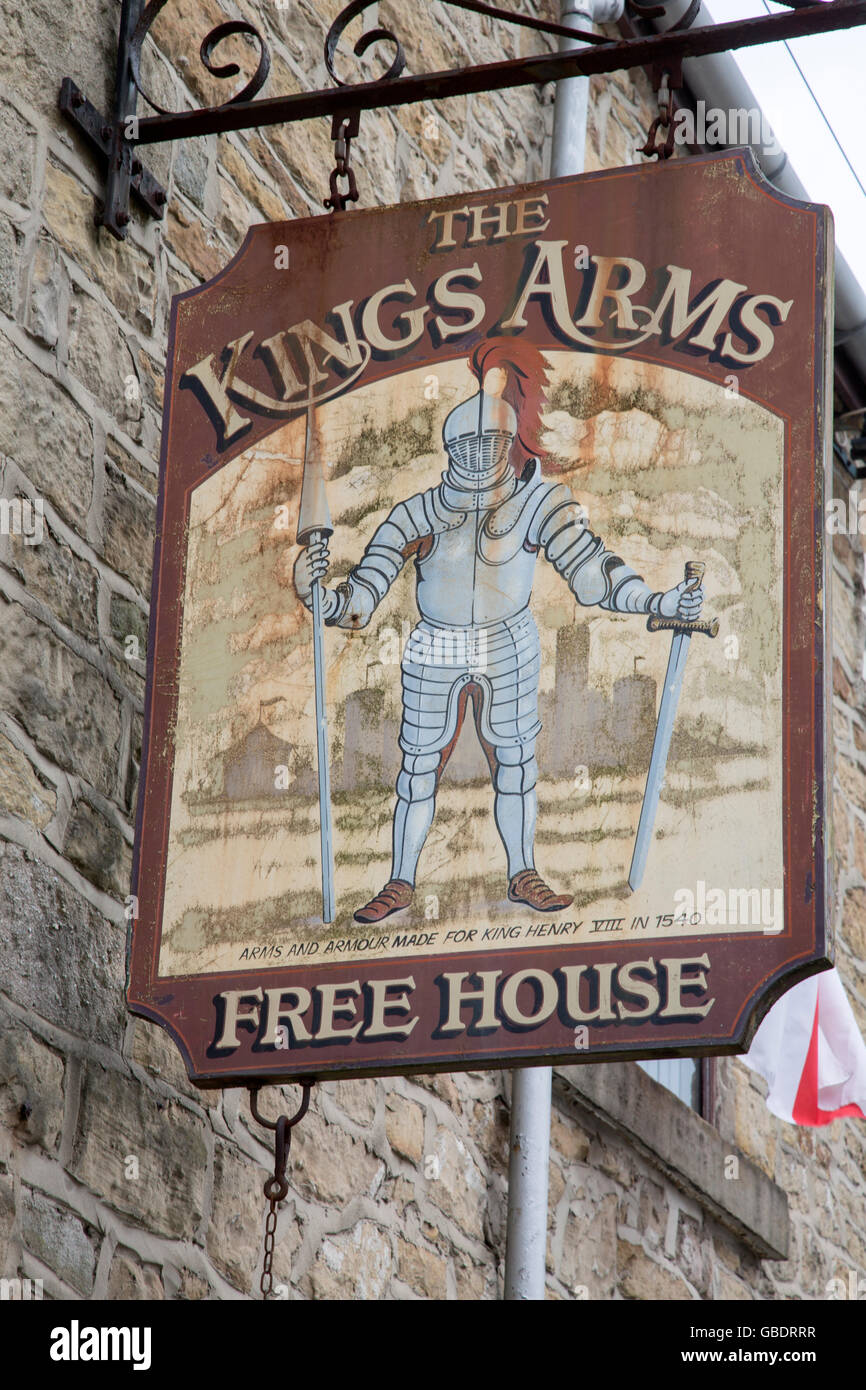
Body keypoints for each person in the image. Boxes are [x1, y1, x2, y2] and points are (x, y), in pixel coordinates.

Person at [293, 342, 703, 924]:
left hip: (508, 640)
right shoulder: (418, 513)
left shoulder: (539, 503)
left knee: (515, 762)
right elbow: (359, 600)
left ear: (509, 444)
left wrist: (660, 599)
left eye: (493, 443)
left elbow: (594, 573)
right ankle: (401, 881)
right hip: (435, 643)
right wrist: (317, 595)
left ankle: (522, 872)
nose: (482, 454)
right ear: (452, 449)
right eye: (471, 444)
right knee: (417, 766)